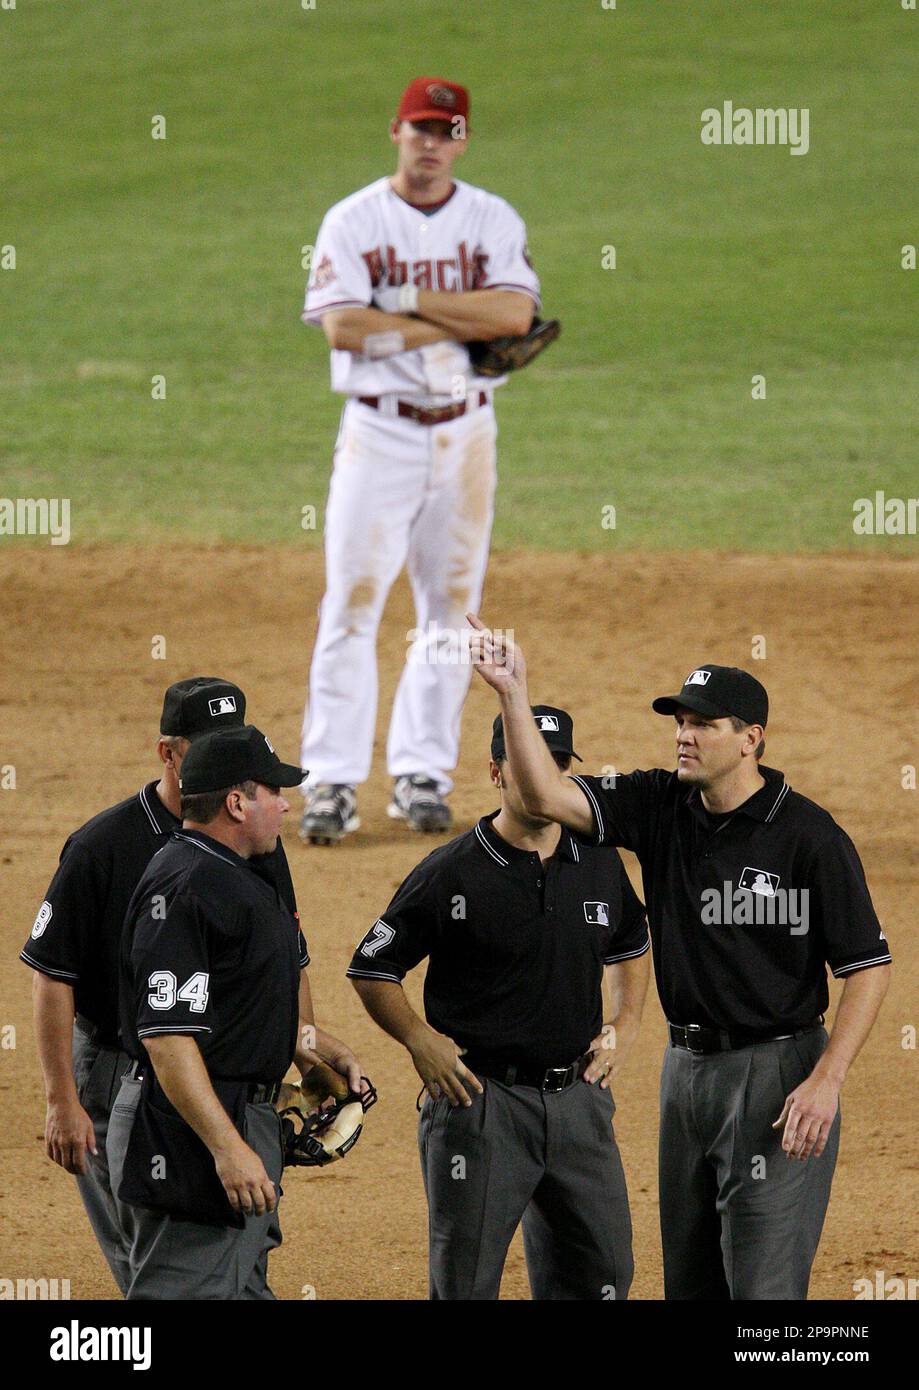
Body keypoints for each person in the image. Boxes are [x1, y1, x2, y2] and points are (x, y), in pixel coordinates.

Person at [467, 618, 892, 1301]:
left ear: (751, 738)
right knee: (690, 1284)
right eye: (679, 721)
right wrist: (512, 695)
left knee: (761, 1290)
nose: (682, 735)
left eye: (703, 724)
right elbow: (544, 795)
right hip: (684, 1076)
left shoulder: (808, 836)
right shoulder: (660, 804)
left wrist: (826, 1079)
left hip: (776, 1077)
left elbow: (867, 965)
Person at [297, 74, 541, 843]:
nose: (432, 144)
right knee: (351, 603)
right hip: (380, 435)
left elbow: (515, 312)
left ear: (462, 140)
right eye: (420, 129)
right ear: (395, 131)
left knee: (449, 610)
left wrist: (401, 305)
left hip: (466, 435)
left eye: (447, 131)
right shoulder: (353, 219)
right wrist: (459, 324)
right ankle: (331, 782)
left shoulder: (491, 217)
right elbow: (343, 330)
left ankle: (421, 775)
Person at [348, 705, 650, 1300]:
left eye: (557, 765)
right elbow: (372, 966)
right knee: (466, 1285)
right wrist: (419, 1038)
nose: (544, 776)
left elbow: (632, 942)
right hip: (481, 1106)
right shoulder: (453, 871)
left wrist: (627, 1021)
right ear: (495, 771)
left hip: (579, 1104)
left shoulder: (597, 858)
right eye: (528, 762)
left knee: (605, 1276)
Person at [19, 676, 296, 1294]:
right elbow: (53, 973)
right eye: (208, 743)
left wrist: (299, 1043)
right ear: (169, 753)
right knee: (160, 1261)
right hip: (127, 1068)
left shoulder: (253, 844)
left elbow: (283, 958)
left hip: (212, 1071)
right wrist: (61, 1099)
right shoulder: (103, 845)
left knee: (225, 1264)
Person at [108, 725, 366, 1300]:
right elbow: (169, 1038)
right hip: (192, 1133)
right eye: (275, 791)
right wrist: (228, 1147)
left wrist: (308, 1048)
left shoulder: (236, 873)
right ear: (236, 802)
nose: (287, 802)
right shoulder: (184, 887)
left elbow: (236, 1001)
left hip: (238, 1117)